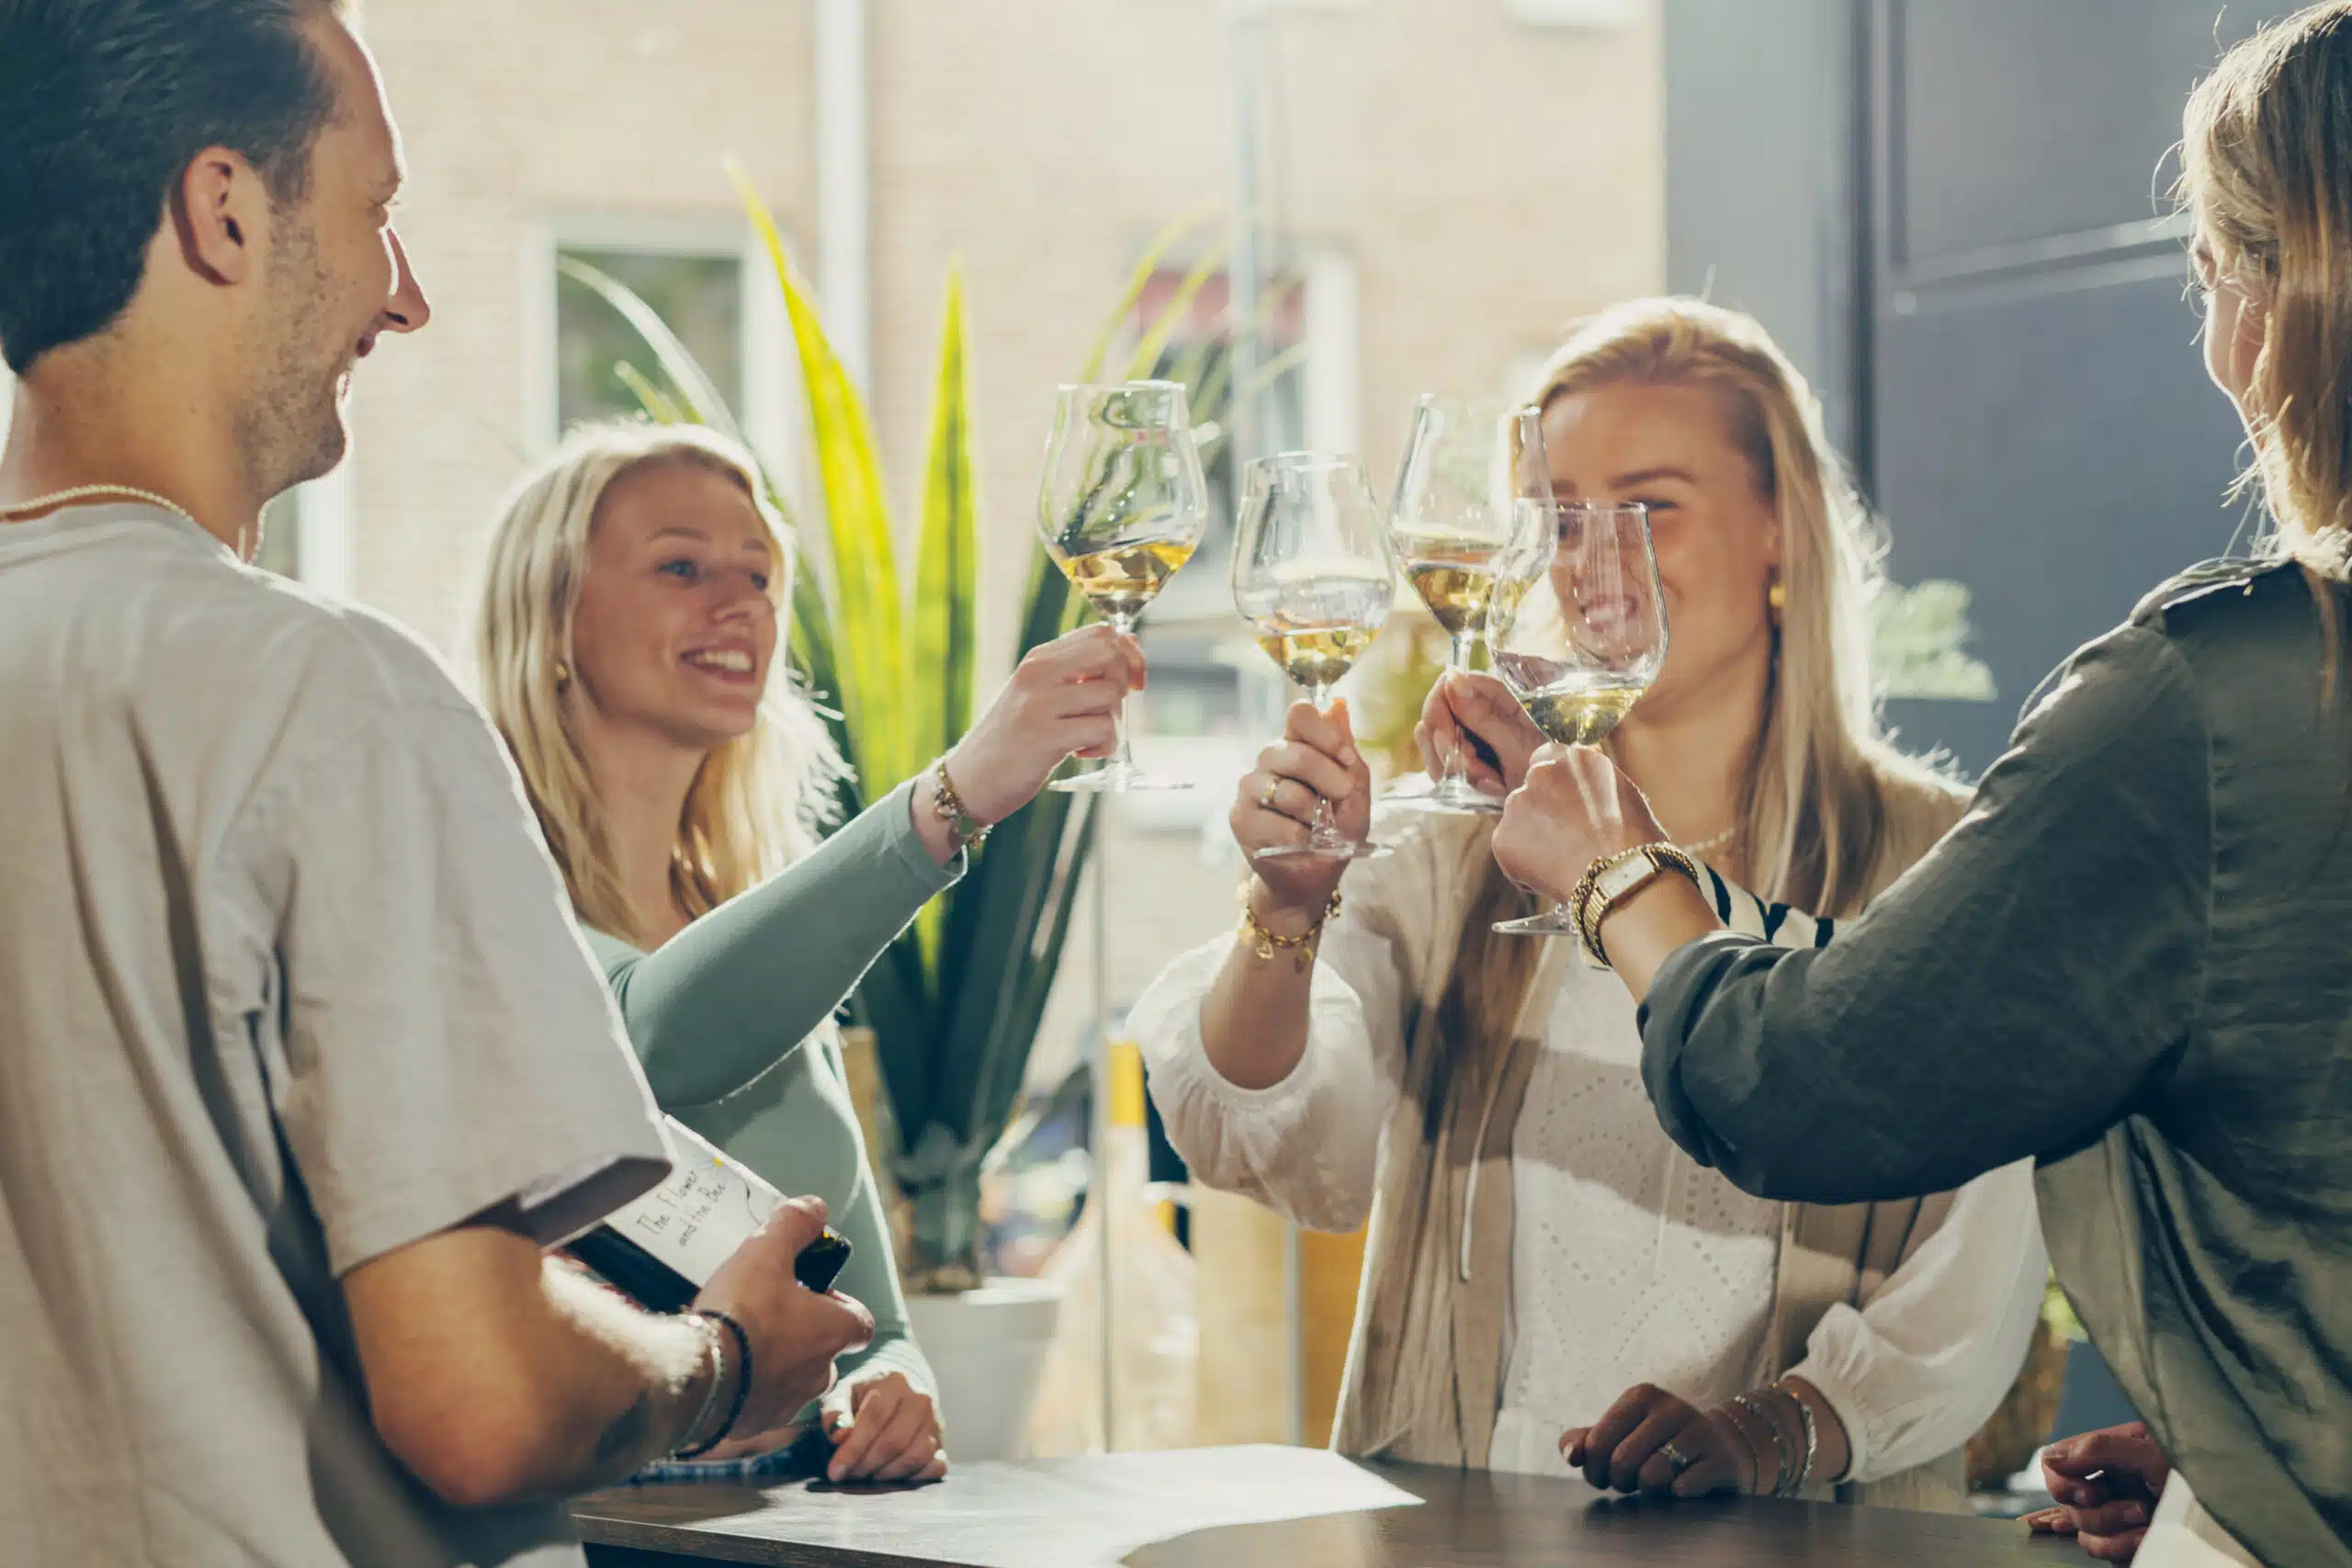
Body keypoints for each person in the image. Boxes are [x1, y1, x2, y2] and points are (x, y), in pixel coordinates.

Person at [0, 5, 871, 1564]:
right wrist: (729, 1362)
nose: (401, 299)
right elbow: (479, 1398)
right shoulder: (328, 696)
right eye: (375, 214)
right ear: (224, 212)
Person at [1488, 7, 2352, 1563]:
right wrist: (2255, 1438)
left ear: (2265, 309)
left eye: (2210, 272)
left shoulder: (2216, 698)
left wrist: (1617, 879)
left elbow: (1817, 1079)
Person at [1128, 298, 2043, 1508]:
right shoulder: (1458, 843)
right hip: (1468, 1531)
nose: (1592, 557)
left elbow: (1983, 1268)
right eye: (1560, 513)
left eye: (1650, 505)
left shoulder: (1941, 854)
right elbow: (1293, 1150)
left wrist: (1769, 1429)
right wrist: (1284, 906)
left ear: (1781, 527)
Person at [472, 421, 1140, 1483]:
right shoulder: (472, 889)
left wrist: (893, 1385)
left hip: (797, 1523)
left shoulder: (766, 932)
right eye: (681, 566)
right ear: (551, 612)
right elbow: (647, 1037)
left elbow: (870, 1315)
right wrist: (949, 800)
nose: (740, 604)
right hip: (598, 1528)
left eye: (760, 574)